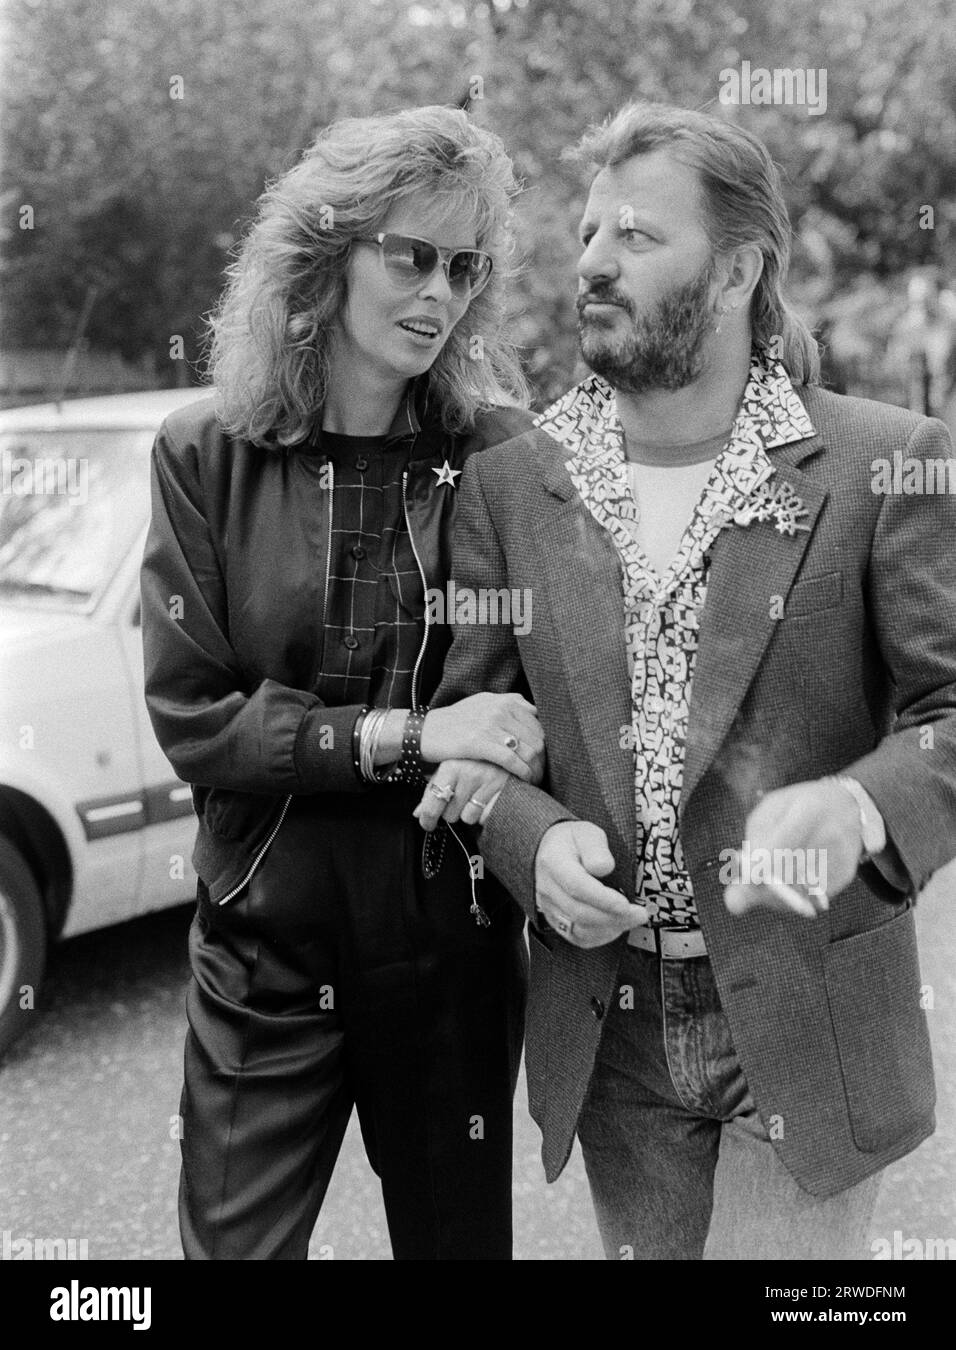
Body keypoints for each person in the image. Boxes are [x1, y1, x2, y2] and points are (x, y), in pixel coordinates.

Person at [417, 101, 956, 1260]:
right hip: (608, 1028)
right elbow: (475, 742)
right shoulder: (511, 486)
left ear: (737, 268)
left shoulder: (886, 460)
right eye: (589, 234)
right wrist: (528, 839)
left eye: (637, 235)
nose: (595, 261)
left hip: (809, 1015)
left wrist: (860, 803)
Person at [139, 105, 544, 1260]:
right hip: (263, 944)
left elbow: (525, 706)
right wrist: (406, 736)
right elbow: (193, 717)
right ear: (327, 253)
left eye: (464, 266)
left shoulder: (499, 457)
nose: (439, 292)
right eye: (410, 254)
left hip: (448, 945)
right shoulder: (202, 454)